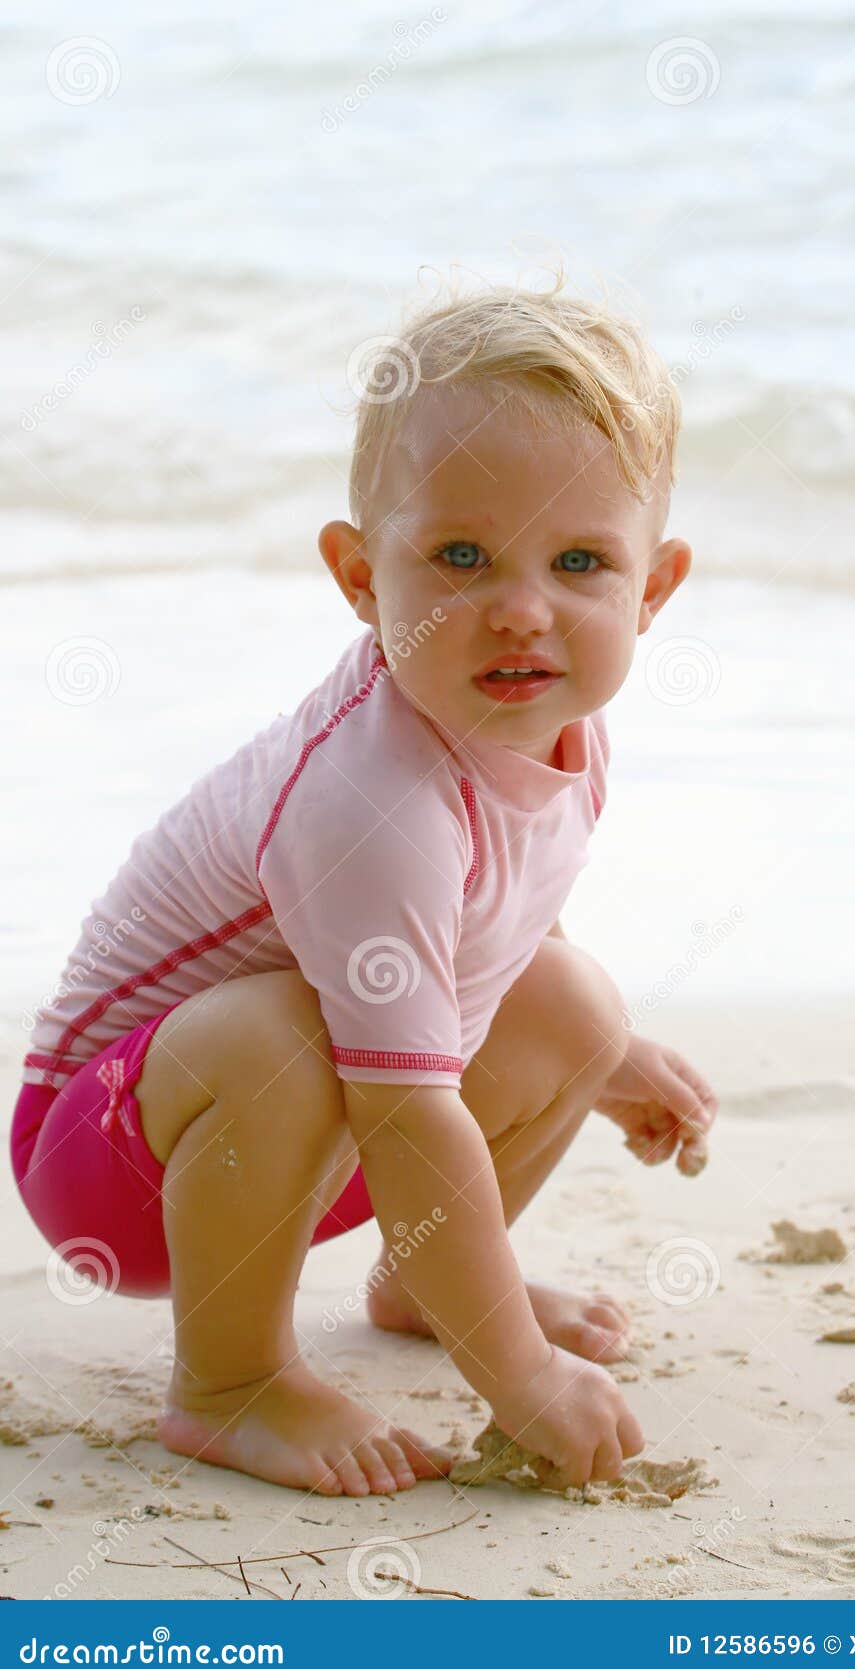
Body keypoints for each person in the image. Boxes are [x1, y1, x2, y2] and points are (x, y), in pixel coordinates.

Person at [11, 275, 718, 1499]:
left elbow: (501, 908)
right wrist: (525, 1382)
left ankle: (416, 1281)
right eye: (458, 555)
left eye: (579, 562)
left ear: (648, 589)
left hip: (292, 1147)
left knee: (580, 1003)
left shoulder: (557, 724)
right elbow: (401, 1112)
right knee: (285, 1031)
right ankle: (229, 1381)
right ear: (358, 577)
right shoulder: (370, 796)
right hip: (113, 1163)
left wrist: (603, 1057)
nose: (520, 610)